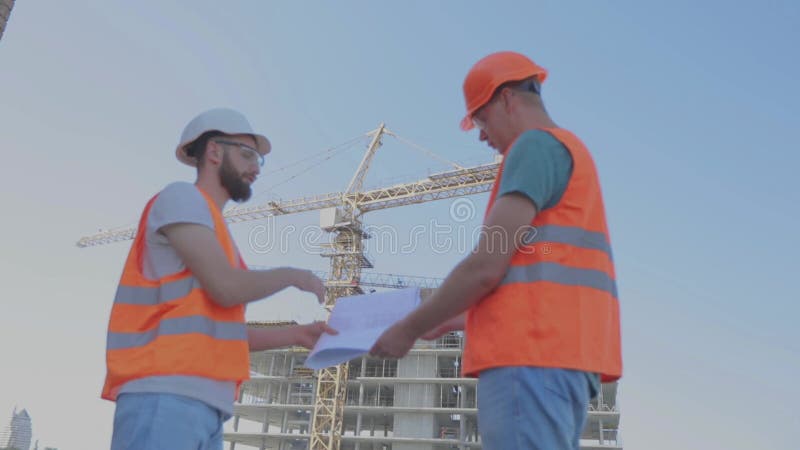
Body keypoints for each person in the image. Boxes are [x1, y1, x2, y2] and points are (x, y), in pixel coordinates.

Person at [370, 52, 622, 449]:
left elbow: (487, 265)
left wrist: (408, 329)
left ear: (507, 99)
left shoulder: (535, 147)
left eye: (482, 119)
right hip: (562, 362)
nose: (481, 135)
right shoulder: (570, 154)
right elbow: (531, 280)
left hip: (529, 363)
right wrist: (451, 320)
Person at [102, 108, 336, 450]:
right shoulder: (181, 197)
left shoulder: (213, 230)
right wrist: (292, 275)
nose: (256, 168)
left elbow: (218, 329)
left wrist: (298, 334)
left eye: (258, 160)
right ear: (214, 151)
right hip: (164, 393)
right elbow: (226, 288)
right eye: (247, 155)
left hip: (203, 406)